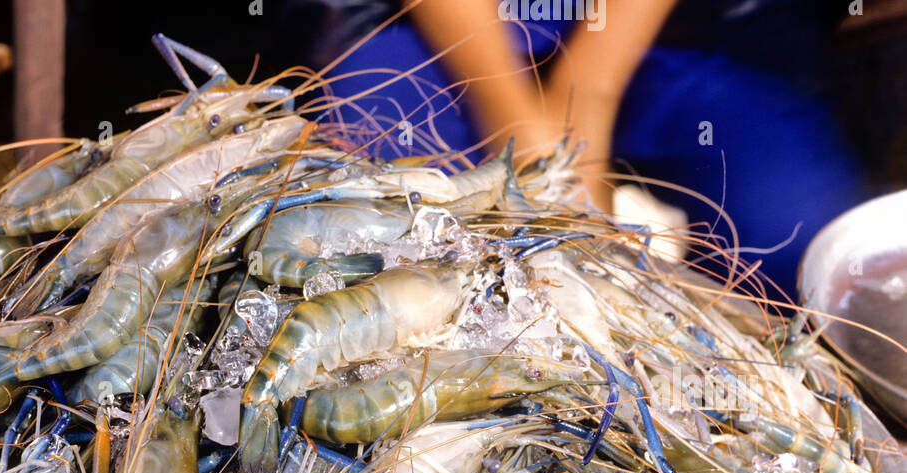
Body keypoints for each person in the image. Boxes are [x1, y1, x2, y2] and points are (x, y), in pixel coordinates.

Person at [284, 0, 869, 297]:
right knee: (382, 244)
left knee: (809, 253)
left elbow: (586, 92)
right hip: (430, 32)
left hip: (670, 34)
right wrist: (516, 122)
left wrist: (584, 103)